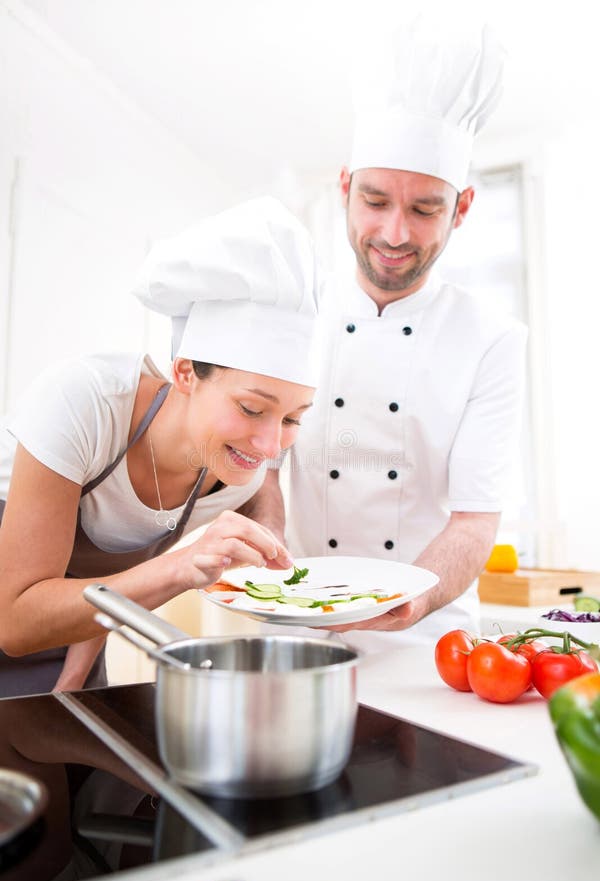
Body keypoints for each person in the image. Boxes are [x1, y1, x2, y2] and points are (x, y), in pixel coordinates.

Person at [250, 19, 528, 649]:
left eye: (426, 209)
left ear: (461, 209)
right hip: (298, 620)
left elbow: (476, 517)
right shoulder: (295, 307)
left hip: (427, 637)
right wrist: (268, 552)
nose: (395, 233)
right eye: (375, 200)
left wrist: (411, 600)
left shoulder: (493, 338)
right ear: (345, 188)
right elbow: (265, 470)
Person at [0, 196, 321, 696]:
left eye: (293, 418)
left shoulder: (235, 464)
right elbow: (16, 621)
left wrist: (73, 676)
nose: (269, 445)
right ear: (185, 371)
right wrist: (180, 567)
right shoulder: (85, 403)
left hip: (77, 629)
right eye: (252, 409)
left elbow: (109, 570)